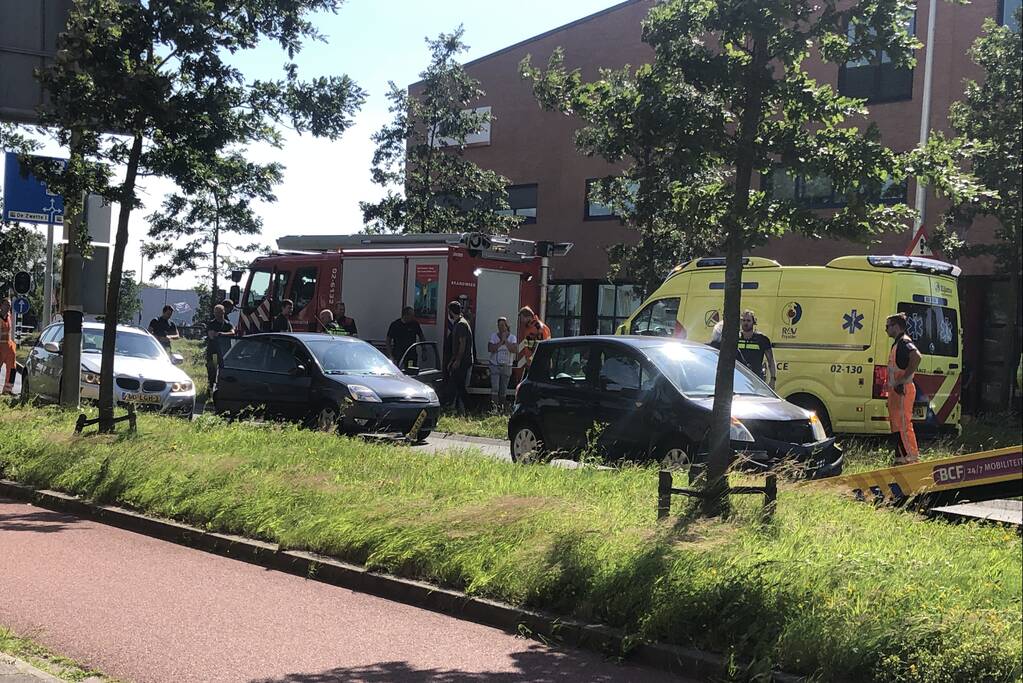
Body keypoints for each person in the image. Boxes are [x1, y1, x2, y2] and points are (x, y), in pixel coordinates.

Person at [886, 312, 922, 465]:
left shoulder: (904, 342)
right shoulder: (897, 343)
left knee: (903, 424)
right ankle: (901, 457)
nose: (886, 330)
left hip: (903, 390)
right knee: (897, 424)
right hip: (897, 391)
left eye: (888, 326)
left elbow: (917, 356)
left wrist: (903, 379)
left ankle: (911, 457)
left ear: (896, 326)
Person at [445, 301, 474, 413]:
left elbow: (462, 344)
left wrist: (457, 361)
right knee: (458, 385)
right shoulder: (460, 323)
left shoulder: (461, 324)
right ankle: (463, 409)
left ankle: (466, 408)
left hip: (463, 361)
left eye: (449, 311)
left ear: (451, 311)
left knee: (458, 385)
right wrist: (452, 360)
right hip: (461, 360)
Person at [736, 310, 777, 388]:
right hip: (738, 379)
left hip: (756, 379)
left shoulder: (762, 339)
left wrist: (773, 379)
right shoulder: (736, 338)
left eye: (748, 321)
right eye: (744, 320)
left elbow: (771, 360)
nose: (746, 323)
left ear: (753, 322)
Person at [205, 304, 235, 396]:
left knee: (224, 371)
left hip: (224, 353)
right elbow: (211, 335)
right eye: (216, 312)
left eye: (219, 312)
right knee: (213, 370)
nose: (217, 314)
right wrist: (219, 335)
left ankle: (223, 390)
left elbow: (233, 332)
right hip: (214, 353)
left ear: (223, 312)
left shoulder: (227, 324)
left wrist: (222, 334)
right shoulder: (211, 324)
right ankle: (211, 389)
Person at [488, 317, 517, 407]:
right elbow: (490, 348)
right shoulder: (494, 336)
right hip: (495, 366)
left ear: (507, 326)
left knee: (503, 390)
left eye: (502, 325)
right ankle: (494, 408)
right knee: (495, 388)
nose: (500, 327)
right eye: (499, 325)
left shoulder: (512, 337)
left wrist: (506, 341)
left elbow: (514, 350)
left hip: (507, 366)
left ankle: (501, 408)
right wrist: (501, 341)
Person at [516, 306, 551, 371]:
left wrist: (531, 359)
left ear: (528, 316)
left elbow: (542, 346)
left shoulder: (538, 327)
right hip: (532, 363)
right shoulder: (529, 328)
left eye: (522, 318)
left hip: (539, 363)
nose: (521, 321)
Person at [0, 299, 16, 395]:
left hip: (9, 346)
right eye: (6, 305)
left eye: (9, 305)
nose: (7, 307)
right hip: (0, 346)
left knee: (12, 368)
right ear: (1, 305)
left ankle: (8, 390)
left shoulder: (9, 316)